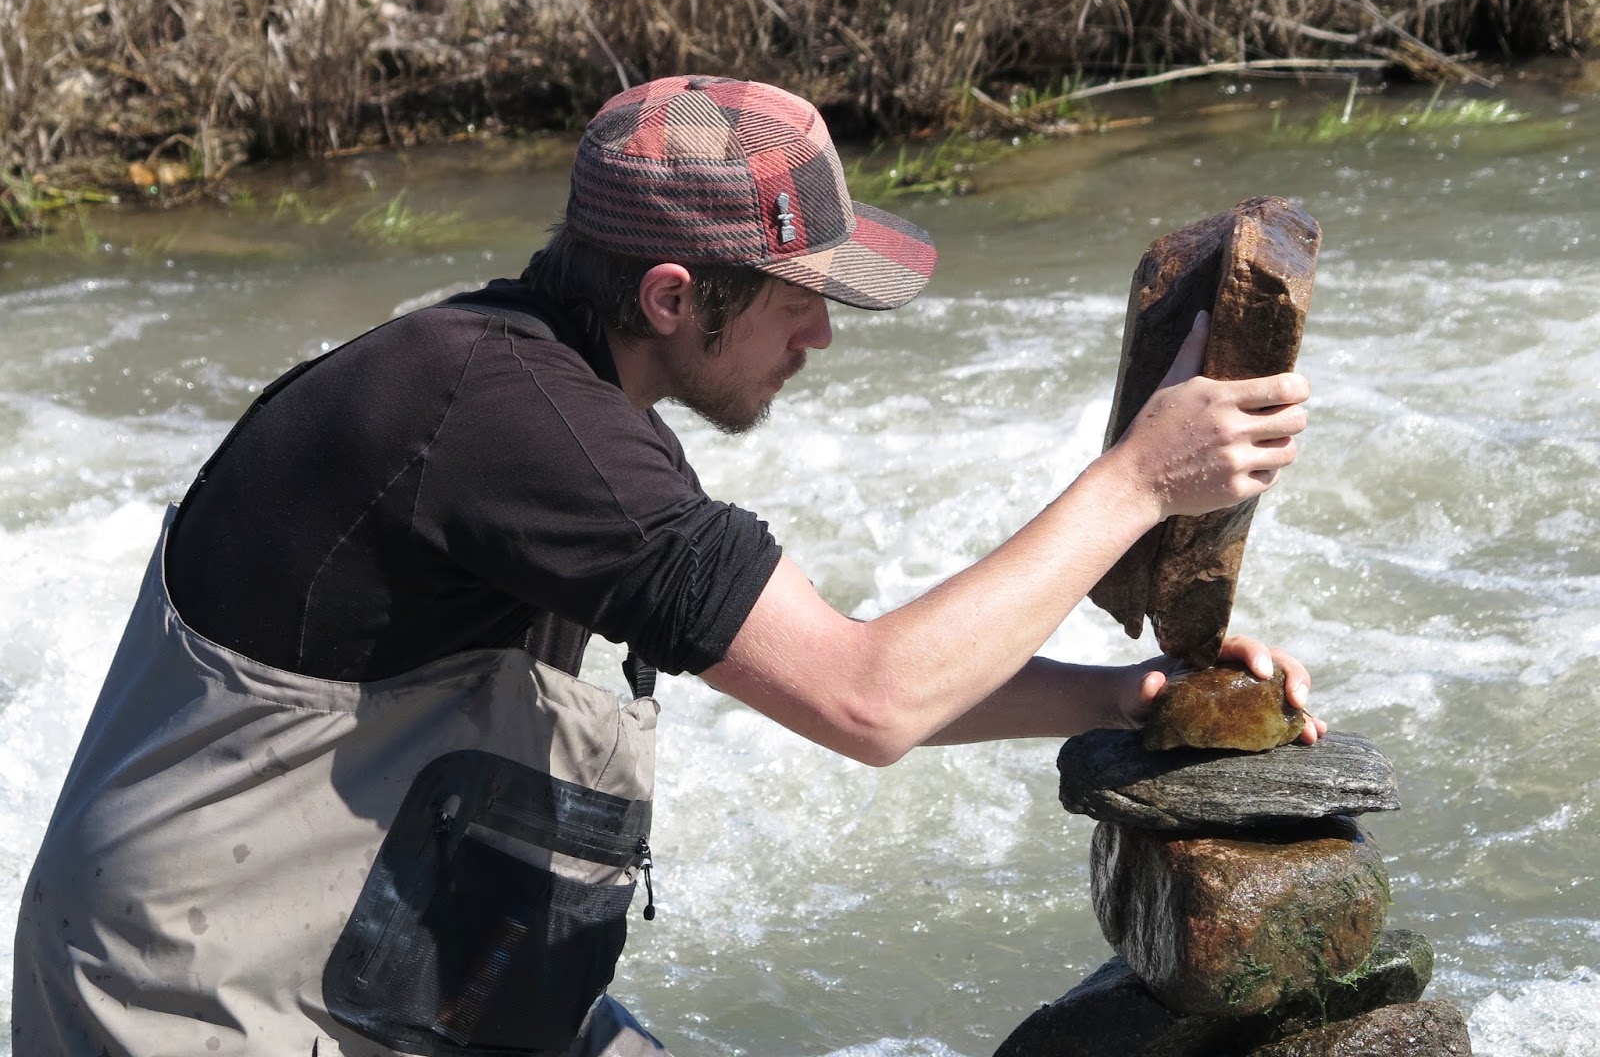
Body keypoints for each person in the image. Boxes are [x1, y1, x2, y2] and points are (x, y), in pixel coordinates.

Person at [11, 75, 1322, 1057]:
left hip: (376, 962)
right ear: (673, 296)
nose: (823, 333)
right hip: (194, 1007)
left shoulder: (542, 398)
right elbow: (868, 700)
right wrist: (1139, 482)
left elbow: (844, 667)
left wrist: (1127, 699)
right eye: (800, 294)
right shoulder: (513, 427)